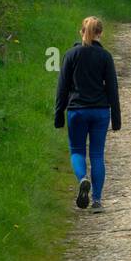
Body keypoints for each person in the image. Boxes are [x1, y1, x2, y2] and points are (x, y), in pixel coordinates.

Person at [54, 16, 120, 212]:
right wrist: (116, 118)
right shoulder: (105, 57)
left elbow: (62, 88)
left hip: (77, 111)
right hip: (100, 111)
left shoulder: (70, 55)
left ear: (81, 31)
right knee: (97, 154)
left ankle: (83, 178)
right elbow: (112, 89)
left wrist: (59, 114)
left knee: (77, 151)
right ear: (100, 33)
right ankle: (97, 200)